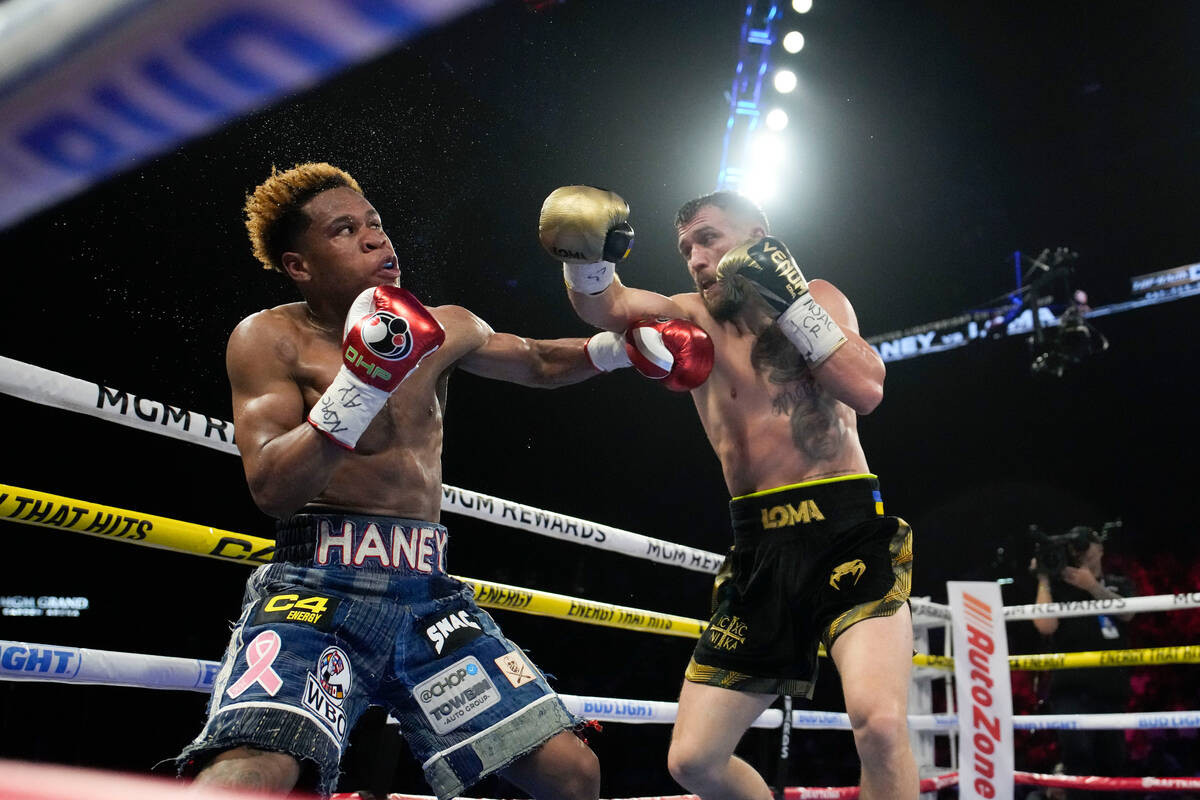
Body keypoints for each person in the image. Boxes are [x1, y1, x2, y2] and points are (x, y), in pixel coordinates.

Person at [175, 163, 711, 800]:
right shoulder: (269, 338)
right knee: (247, 776)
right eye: (346, 231)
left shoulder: (444, 324)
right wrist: (360, 382)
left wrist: (626, 349)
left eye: (375, 222)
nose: (377, 239)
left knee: (572, 773)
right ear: (299, 265)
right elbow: (272, 488)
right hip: (315, 592)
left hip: (428, 597)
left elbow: (538, 361)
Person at [538, 186, 917, 799]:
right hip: (759, 549)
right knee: (694, 761)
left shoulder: (817, 297)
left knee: (877, 722)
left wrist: (788, 298)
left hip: (847, 532)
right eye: (686, 247)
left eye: (709, 238)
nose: (695, 257)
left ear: (759, 240)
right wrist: (585, 256)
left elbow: (867, 389)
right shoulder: (689, 317)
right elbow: (605, 307)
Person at [1030, 527, 1134, 799]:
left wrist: (1092, 587)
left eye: (1086, 544)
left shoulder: (1118, 584)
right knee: (1077, 756)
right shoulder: (1060, 589)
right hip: (1069, 689)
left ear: (1100, 548)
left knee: (1112, 763)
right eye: (1076, 547)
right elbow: (1045, 626)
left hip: (1111, 689)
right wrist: (1043, 578)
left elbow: (1129, 613)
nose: (1081, 551)